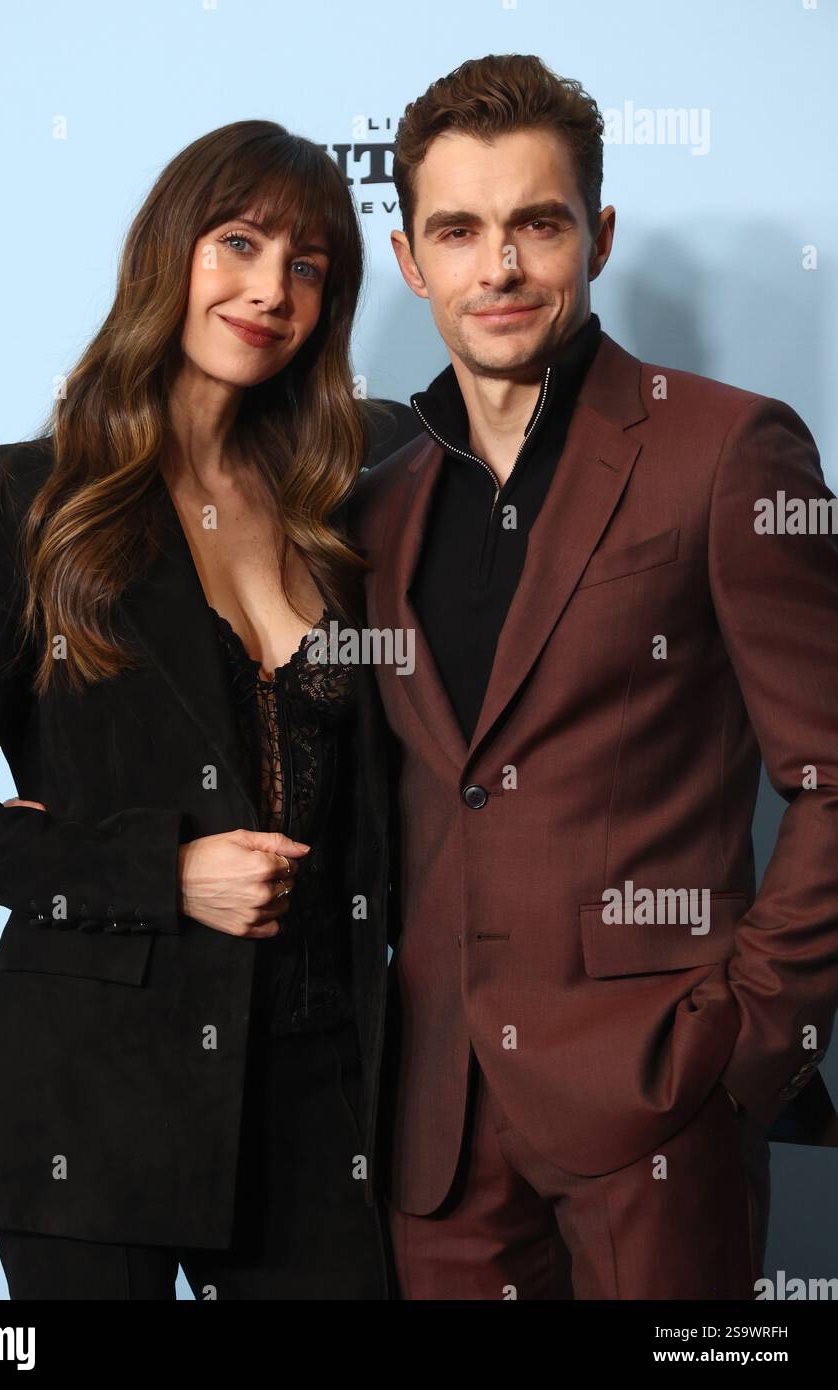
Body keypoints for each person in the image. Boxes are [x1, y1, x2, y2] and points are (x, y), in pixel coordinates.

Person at [349, 53, 838, 1299]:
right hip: (437, 1131)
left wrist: (744, 1047)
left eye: (536, 224)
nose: (497, 267)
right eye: (457, 231)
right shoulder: (381, 500)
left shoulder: (728, 447)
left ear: (599, 236)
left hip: (657, 1111)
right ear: (412, 262)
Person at [0, 119, 397, 1300]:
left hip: (323, 1088)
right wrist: (159, 870)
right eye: (239, 242)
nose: (270, 289)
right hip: (92, 1088)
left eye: (309, 266)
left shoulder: (353, 497)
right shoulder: (16, 497)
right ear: (170, 248)